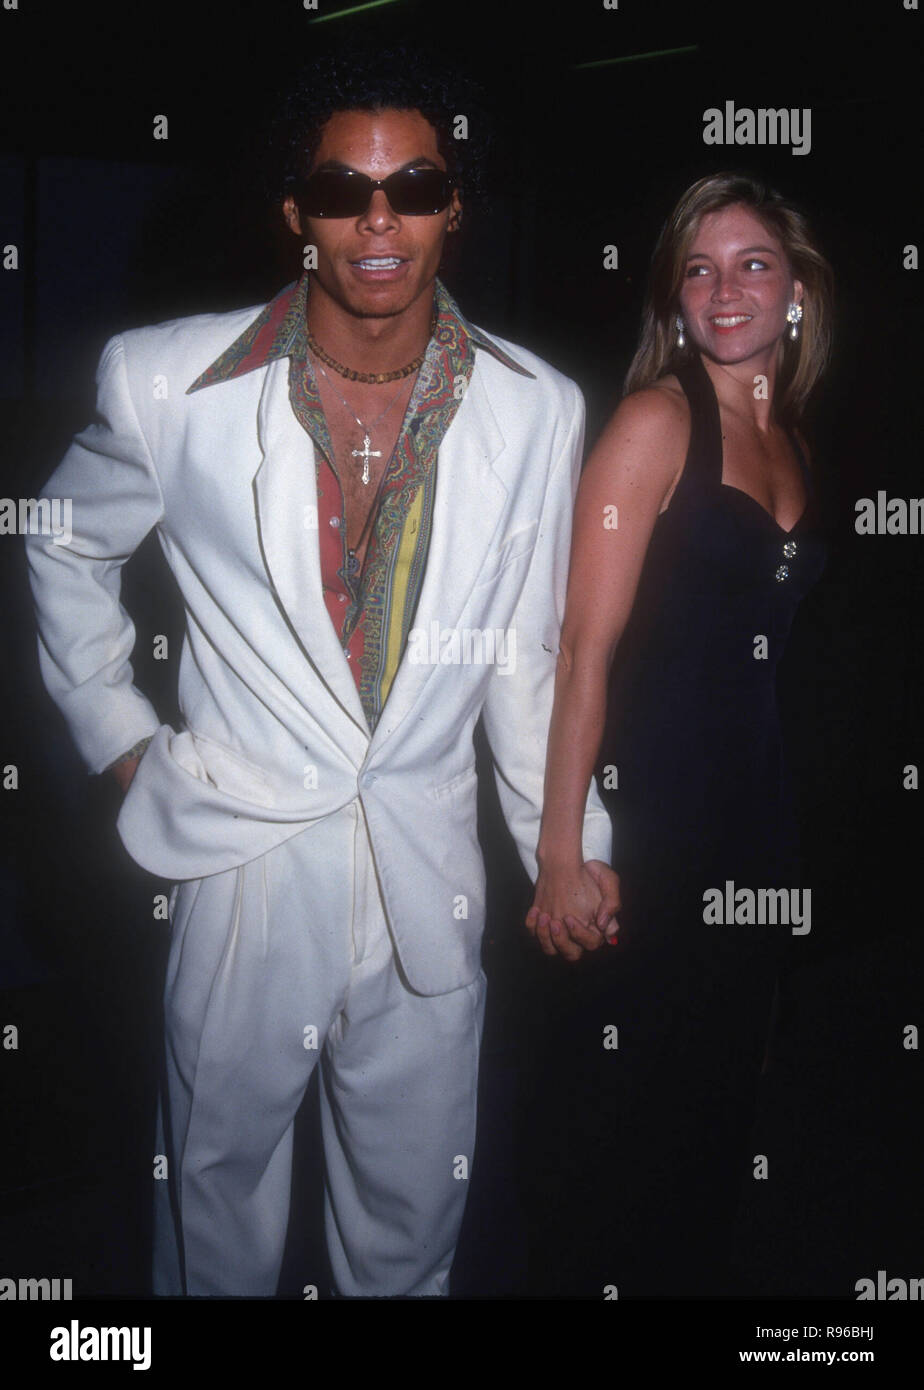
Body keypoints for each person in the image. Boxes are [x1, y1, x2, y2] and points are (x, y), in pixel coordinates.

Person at [24, 41, 619, 1298]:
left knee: (410, 1230)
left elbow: (524, 655)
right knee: (215, 1210)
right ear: (297, 212)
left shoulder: (541, 409)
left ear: (456, 204)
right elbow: (59, 540)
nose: (380, 218)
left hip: (431, 875)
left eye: (414, 184)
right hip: (244, 858)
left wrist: (566, 839)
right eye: (344, 191)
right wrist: (118, 735)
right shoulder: (164, 382)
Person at [525, 172, 833, 1296]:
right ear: (674, 299)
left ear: (796, 290)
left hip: (757, 828)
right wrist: (562, 852)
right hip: (653, 831)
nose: (725, 288)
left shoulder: (792, 432)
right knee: (628, 1137)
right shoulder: (659, 419)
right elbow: (580, 650)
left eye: (753, 263)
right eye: (698, 270)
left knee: (721, 1129)